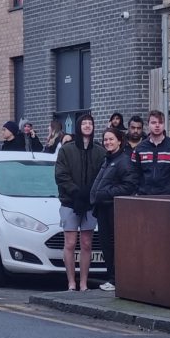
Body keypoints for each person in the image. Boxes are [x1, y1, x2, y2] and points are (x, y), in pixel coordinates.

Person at [54, 114, 104, 292]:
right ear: (78, 126)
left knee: (86, 243)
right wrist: (76, 192)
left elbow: (101, 174)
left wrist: (89, 194)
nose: (88, 126)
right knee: (70, 242)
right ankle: (71, 282)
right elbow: (61, 175)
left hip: (90, 203)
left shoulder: (99, 151)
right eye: (84, 123)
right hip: (70, 202)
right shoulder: (66, 150)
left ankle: (83, 283)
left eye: (91, 123)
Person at [90, 127, 140, 291]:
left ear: (120, 141)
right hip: (103, 209)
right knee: (106, 245)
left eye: (111, 139)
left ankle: (116, 279)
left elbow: (129, 186)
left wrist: (106, 194)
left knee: (113, 244)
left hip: (114, 209)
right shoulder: (108, 160)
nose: (108, 142)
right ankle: (111, 277)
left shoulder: (123, 161)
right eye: (105, 139)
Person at [133, 109, 170, 195]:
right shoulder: (139, 149)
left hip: (168, 198)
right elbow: (133, 173)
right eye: (154, 123)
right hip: (144, 198)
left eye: (160, 122)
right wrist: (138, 192)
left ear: (164, 124)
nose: (157, 125)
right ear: (148, 125)